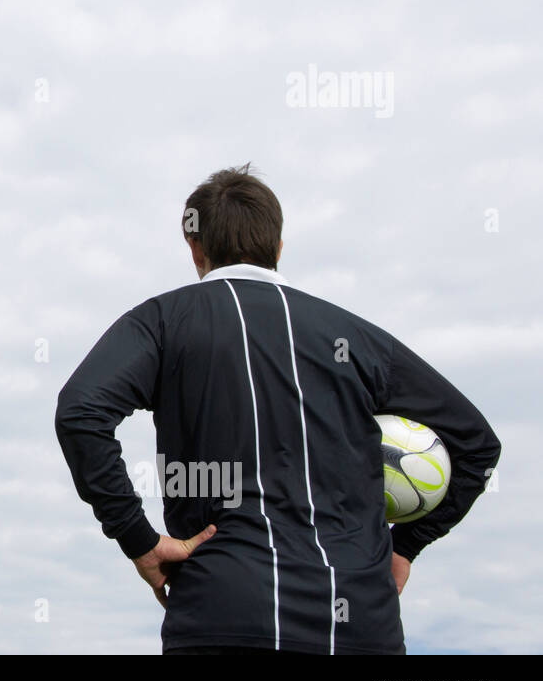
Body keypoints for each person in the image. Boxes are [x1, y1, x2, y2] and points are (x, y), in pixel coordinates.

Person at [53, 164, 501, 654]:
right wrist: (404, 547)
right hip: (358, 623)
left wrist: (138, 539)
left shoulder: (163, 321)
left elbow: (81, 413)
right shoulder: (356, 340)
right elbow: (475, 444)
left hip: (223, 611)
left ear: (195, 247)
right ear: (279, 249)